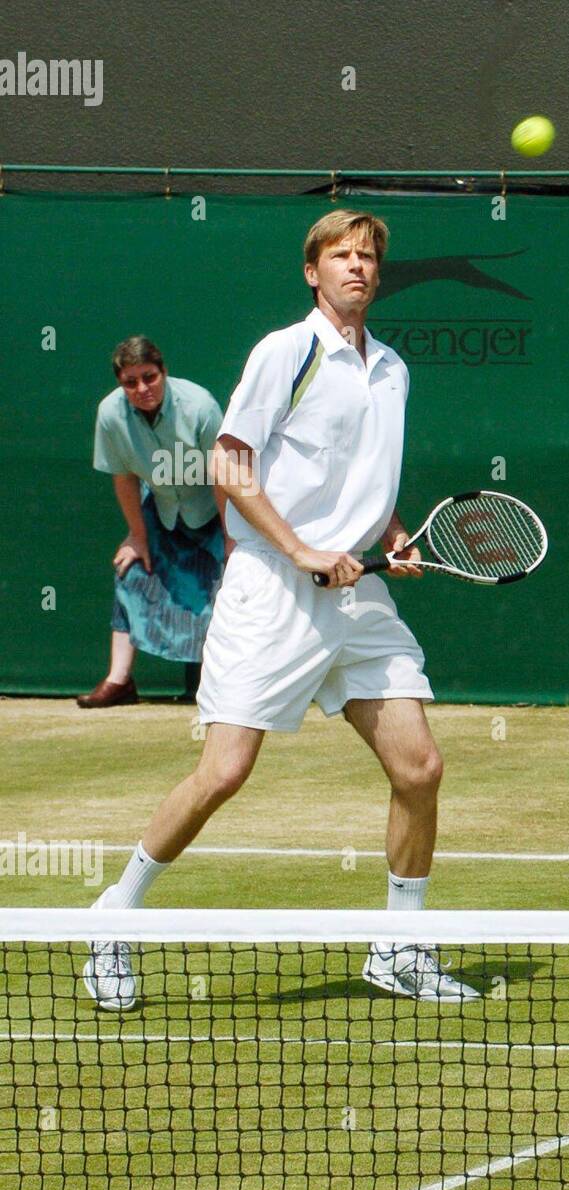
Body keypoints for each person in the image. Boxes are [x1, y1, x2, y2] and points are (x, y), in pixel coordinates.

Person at [82, 209, 478, 1009]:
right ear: (313, 271)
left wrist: (392, 535)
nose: (358, 268)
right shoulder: (285, 351)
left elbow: (365, 479)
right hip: (273, 590)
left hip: (357, 596)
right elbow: (230, 466)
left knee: (420, 767)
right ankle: (109, 917)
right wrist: (300, 550)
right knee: (224, 771)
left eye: (369, 257)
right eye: (342, 256)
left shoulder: (393, 369)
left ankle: (398, 947)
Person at [78, 339, 227, 707]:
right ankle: (119, 682)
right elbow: (124, 477)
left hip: (212, 509)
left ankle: (221, 687)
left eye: (149, 377)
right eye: (131, 382)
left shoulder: (201, 407)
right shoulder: (111, 414)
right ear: (120, 383)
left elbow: (226, 474)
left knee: (226, 590)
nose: (142, 389)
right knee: (131, 572)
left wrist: (231, 536)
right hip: (160, 508)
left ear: (163, 372)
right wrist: (138, 536)